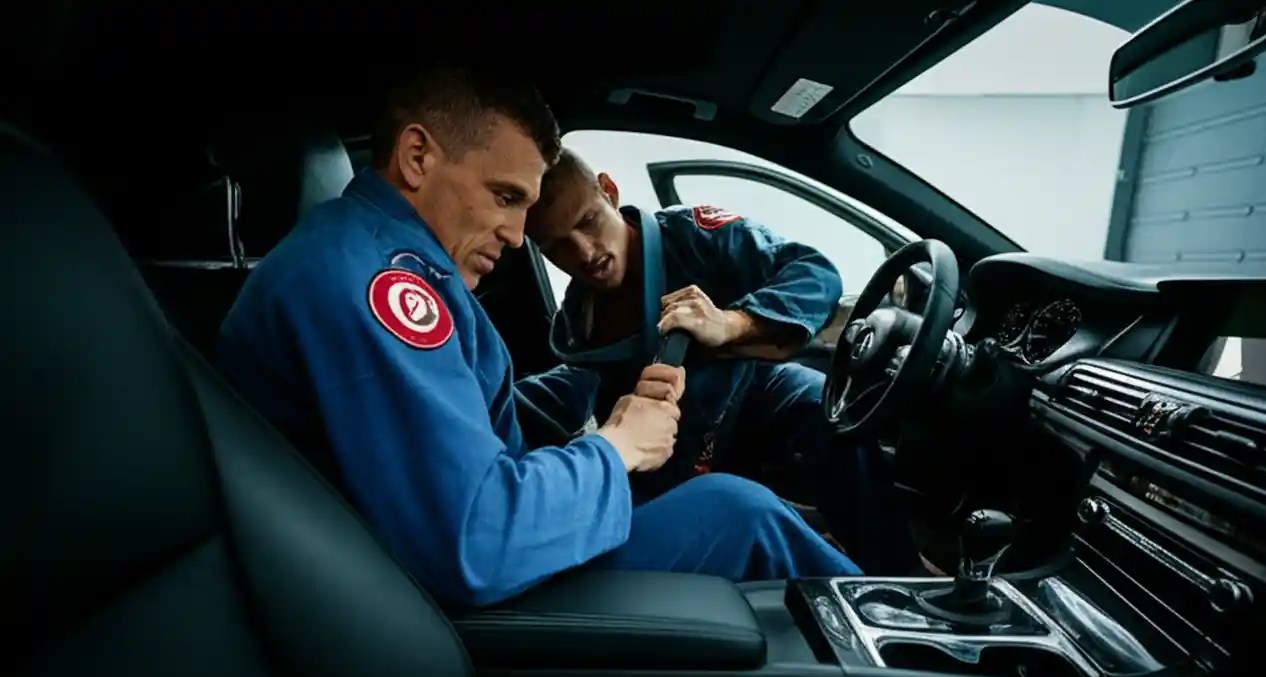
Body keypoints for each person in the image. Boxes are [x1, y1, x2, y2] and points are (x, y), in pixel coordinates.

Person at [216, 65, 861, 609]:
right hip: (449, 614)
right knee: (736, 512)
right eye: (504, 197)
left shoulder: (362, 257)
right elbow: (476, 538)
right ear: (417, 158)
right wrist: (616, 447)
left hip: (416, 579)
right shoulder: (376, 286)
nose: (519, 237)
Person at [524, 149, 919, 575]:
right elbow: (576, 395)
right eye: (557, 245)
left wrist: (729, 323)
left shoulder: (695, 235)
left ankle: (899, 582)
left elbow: (814, 273)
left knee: (827, 409)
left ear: (610, 192)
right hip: (673, 454)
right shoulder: (575, 326)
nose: (583, 253)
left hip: (750, 392)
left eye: (588, 222)